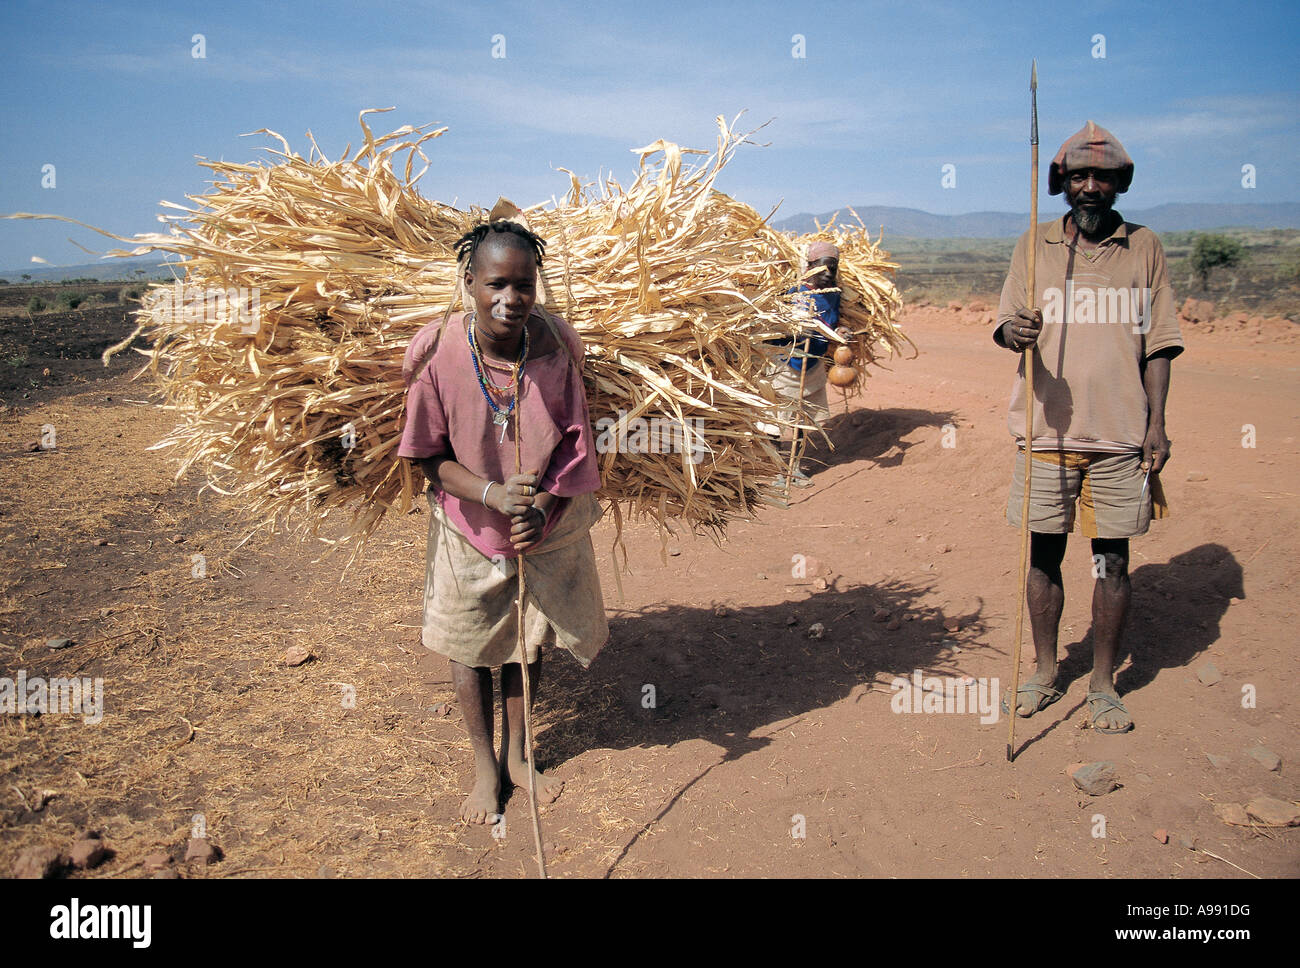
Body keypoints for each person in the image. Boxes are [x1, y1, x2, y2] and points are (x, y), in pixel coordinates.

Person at [398, 220, 607, 823]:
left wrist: (539, 509)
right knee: (469, 647)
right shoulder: (440, 352)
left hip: (541, 523)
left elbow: (574, 444)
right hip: (469, 526)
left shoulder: (553, 349)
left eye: (524, 285)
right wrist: (491, 493)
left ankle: (518, 754)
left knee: (526, 639)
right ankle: (484, 769)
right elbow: (428, 455)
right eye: (496, 284)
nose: (510, 299)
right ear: (469, 282)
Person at [995, 121, 1183, 734]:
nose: (1092, 186)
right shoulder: (1036, 243)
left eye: (1103, 176)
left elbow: (1158, 345)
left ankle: (1102, 684)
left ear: (1120, 183)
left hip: (1120, 436)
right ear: (1062, 183)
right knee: (1044, 557)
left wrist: (1156, 424)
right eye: (1080, 175)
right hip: (1047, 434)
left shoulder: (1144, 246)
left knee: (1112, 562)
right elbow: (1004, 327)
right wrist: (1015, 333)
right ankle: (1047, 672)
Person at [766, 241, 848, 486]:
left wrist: (841, 331)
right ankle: (780, 471)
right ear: (809, 266)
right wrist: (794, 329)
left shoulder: (833, 295)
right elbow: (770, 327)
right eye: (822, 268)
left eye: (831, 269)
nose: (827, 274)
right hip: (784, 364)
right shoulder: (791, 291)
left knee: (803, 420)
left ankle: (796, 467)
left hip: (812, 366)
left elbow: (834, 324)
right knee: (776, 421)